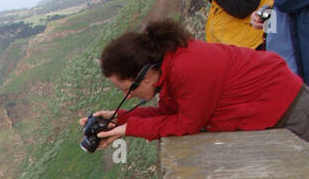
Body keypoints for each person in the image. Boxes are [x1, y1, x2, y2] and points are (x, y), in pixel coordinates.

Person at [88, 19, 309, 146]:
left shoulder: (186, 67)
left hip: (289, 110)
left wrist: (130, 129)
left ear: (144, 76)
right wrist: (119, 119)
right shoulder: (169, 68)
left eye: (126, 89)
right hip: (274, 112)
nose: (128, 94)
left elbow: (187, 124)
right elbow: (167, 113)